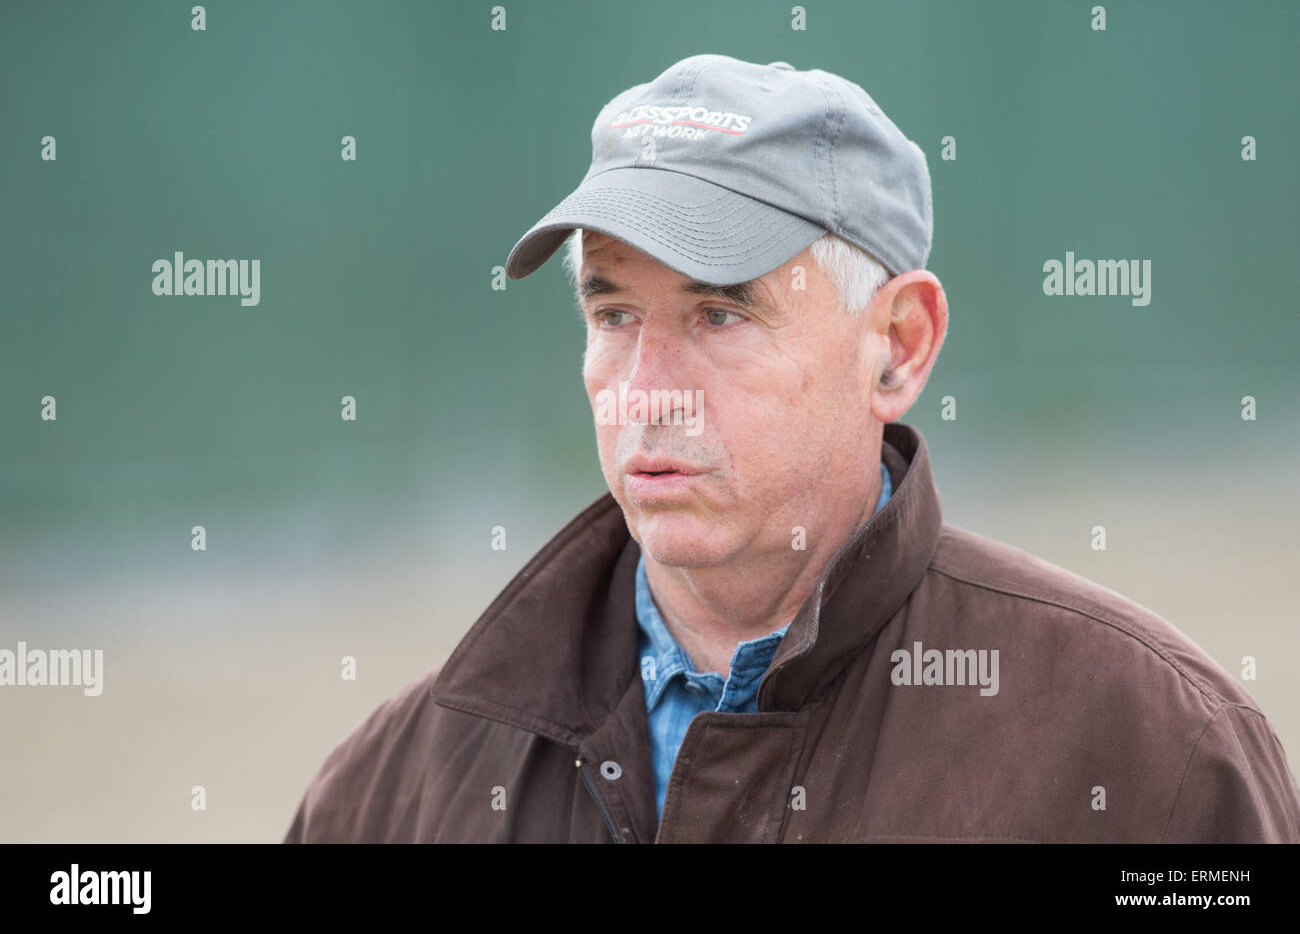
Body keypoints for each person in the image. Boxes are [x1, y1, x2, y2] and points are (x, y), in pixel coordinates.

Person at [283, 54, 1300, 842]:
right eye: (614, 314)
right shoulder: (405, 780)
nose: (645, 392)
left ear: (896, 347)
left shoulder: (1147, 750)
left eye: (721, 315)